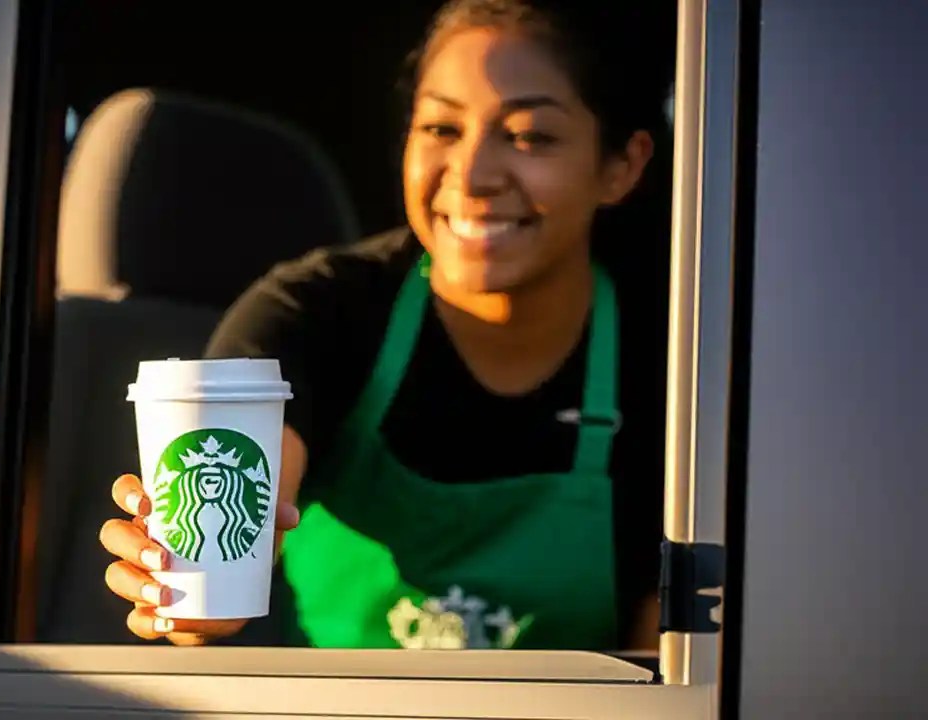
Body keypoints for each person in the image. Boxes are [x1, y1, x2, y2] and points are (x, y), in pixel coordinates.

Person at [99, 0, 673, 650]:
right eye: (442, 129)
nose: (475, 175)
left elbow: (671, 656)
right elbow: (237, 483)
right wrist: (191, 588)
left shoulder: (680, 353)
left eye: (530, 136)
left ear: (621, 166)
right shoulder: (315, 311)